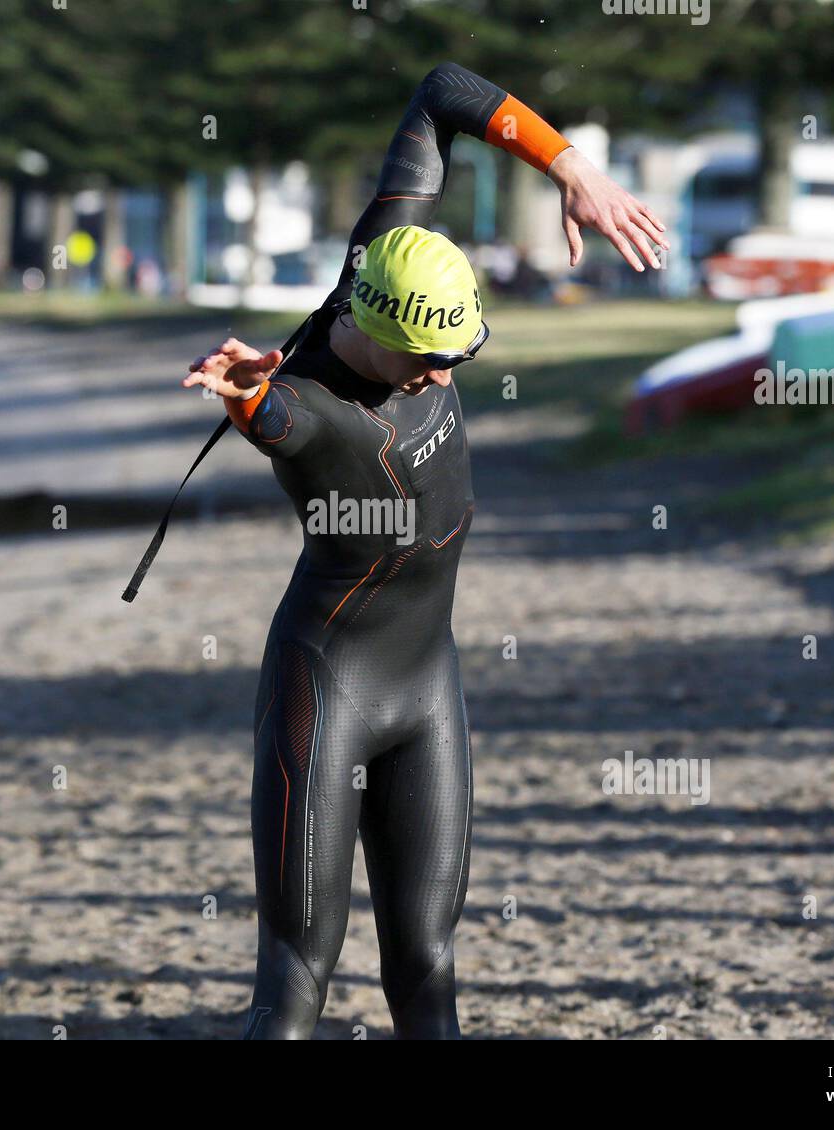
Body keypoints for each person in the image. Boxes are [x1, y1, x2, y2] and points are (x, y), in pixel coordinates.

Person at [181, 62, 666, 1039]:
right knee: (296, 979)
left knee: (428, 963)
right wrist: (240, 389)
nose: (445, 371)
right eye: (427, 357)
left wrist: (568, 165)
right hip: (327, 689)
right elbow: (266, 414)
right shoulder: (313, 409)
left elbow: (443, 91)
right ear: (366, 324)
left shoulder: (381, 254)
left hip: (426, 685)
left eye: (461, 352)